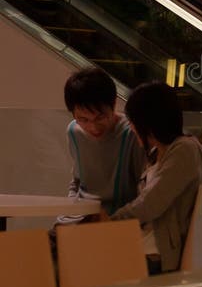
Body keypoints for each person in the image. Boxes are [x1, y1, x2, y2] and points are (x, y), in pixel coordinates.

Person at [110, 82, 202, 274]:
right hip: (145, 248)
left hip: (157, 255)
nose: (132, 128)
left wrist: (112, 221)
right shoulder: (158, 153)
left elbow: (152, 202)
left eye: (133, 121)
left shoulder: (185, 149)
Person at [61, 67, 146, 224]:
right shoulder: (73, 131)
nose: (93, 127)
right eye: (83, 120)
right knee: (37, 245)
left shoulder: (131, 133)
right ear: (72, 113)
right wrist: (72, 208)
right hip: (79, 216)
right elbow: (78, 180)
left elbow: (143, 189)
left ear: (113, 105)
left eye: (100, 117)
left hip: (116, 220)